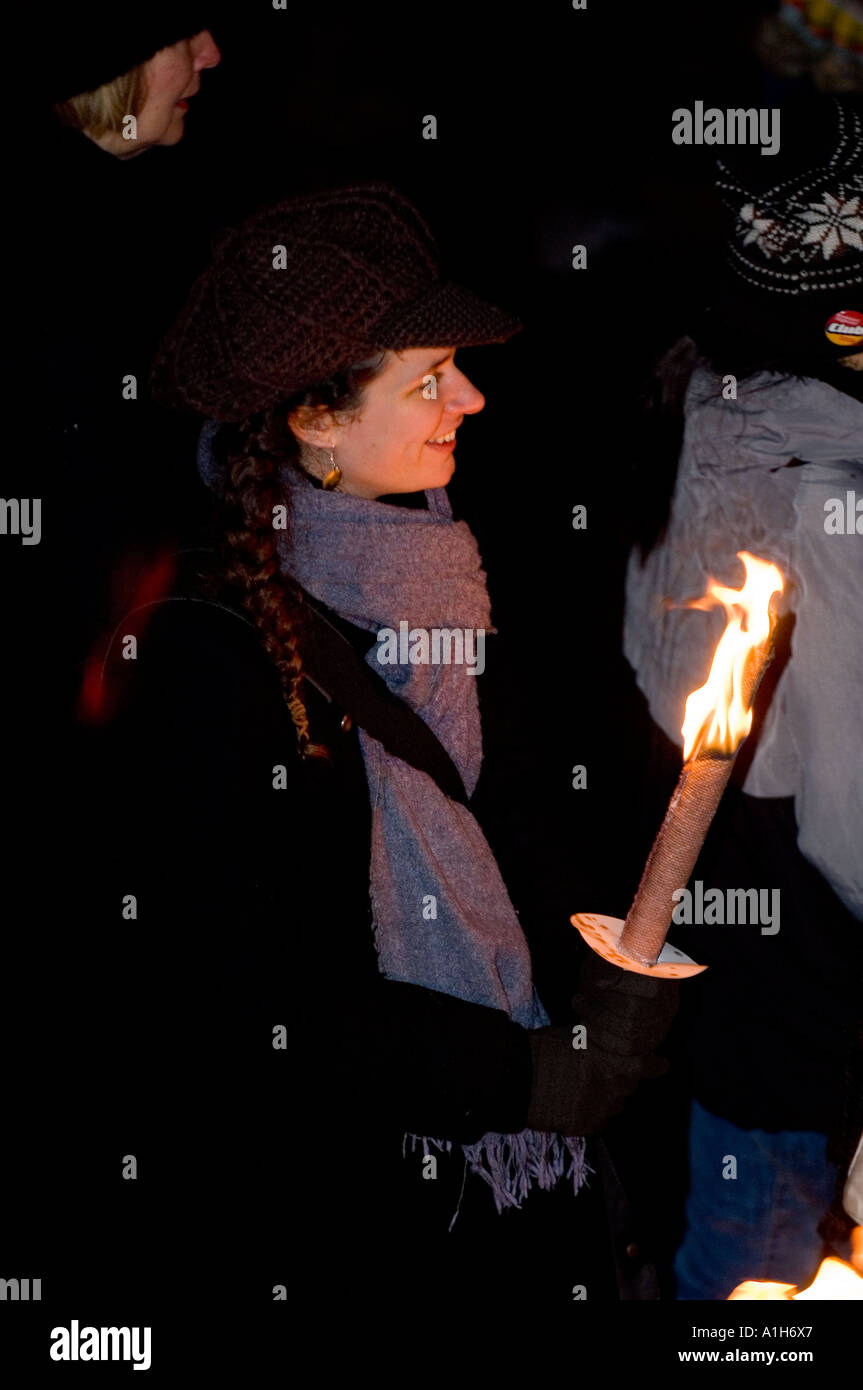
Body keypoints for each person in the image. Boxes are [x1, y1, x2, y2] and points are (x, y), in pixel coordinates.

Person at [68, 185, 681, 1326]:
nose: (474, 397)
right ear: (314, 420)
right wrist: (526, 1077)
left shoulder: (445, 581)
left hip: (515, 1202)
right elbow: (253, 998)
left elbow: (509, 831)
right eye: (427, 379)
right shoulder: (209, 656)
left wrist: (604, 968)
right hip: (363, 1236)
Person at [623, 94, 863, 1299]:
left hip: (758, 1015)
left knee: (736, 1275)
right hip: (805, 1015)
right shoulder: (817, 479)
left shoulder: (705, 421)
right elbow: (833, 812)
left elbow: (667, 695)